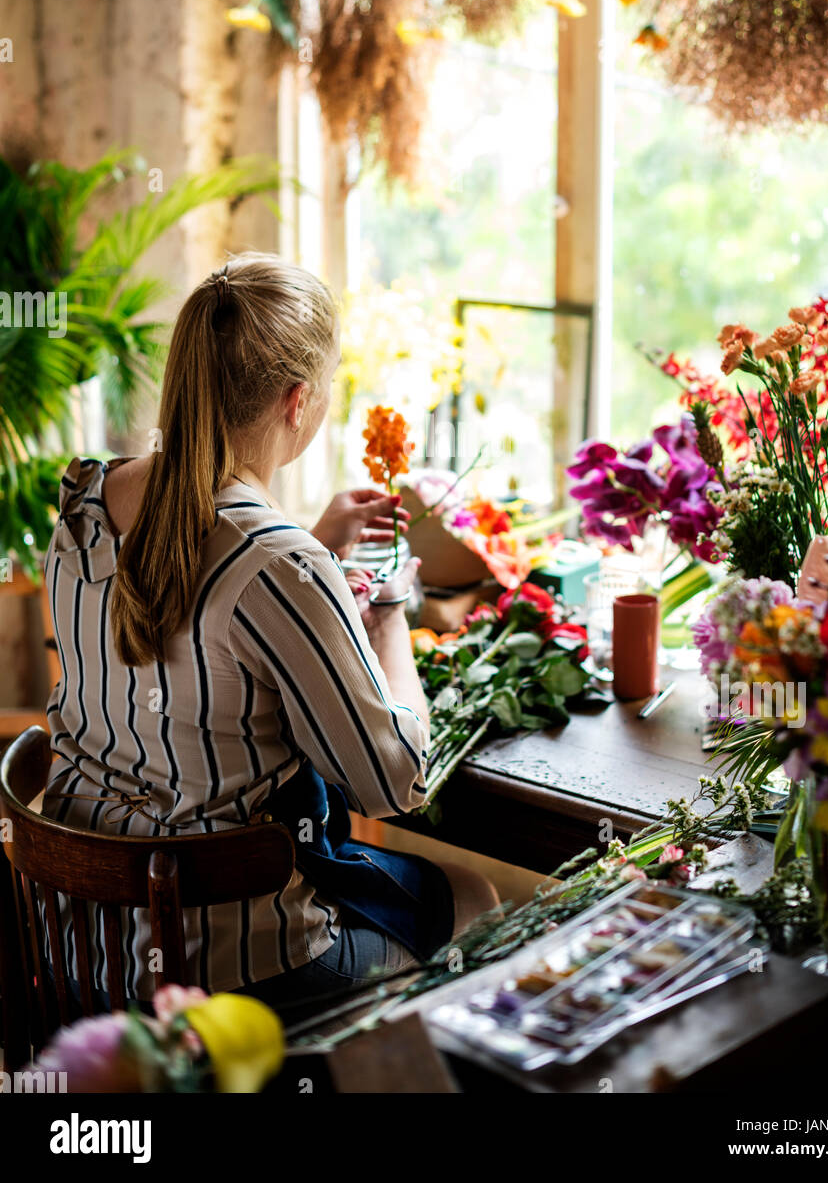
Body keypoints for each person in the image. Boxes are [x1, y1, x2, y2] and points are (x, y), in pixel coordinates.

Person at [42, 253, 498, 1023]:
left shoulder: (85, 502)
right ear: (297, 401)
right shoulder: (277, 560)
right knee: (477, 898)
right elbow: (394, 784)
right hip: (223, 969)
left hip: (77, 944)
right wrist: (386, 622)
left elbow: (180, 614)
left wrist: (312, 561)